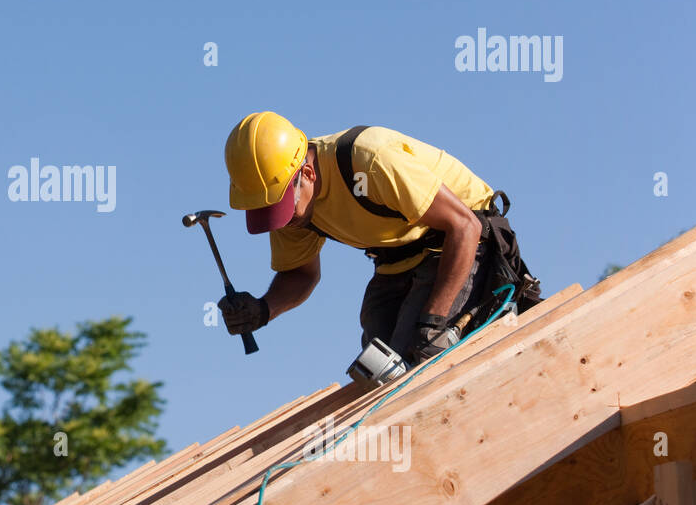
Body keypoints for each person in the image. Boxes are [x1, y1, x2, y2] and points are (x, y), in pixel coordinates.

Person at [217, 112, 539, 365]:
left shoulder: (368, 160)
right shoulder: (293, 210)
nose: (283, 222)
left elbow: (464, 226)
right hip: (399, 260)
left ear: (308, 175)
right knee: (378, 367)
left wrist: (432, 323)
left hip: (463, 241)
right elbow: (301, 273)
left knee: (415, 357)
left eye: (284, 208)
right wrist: (263, 309)